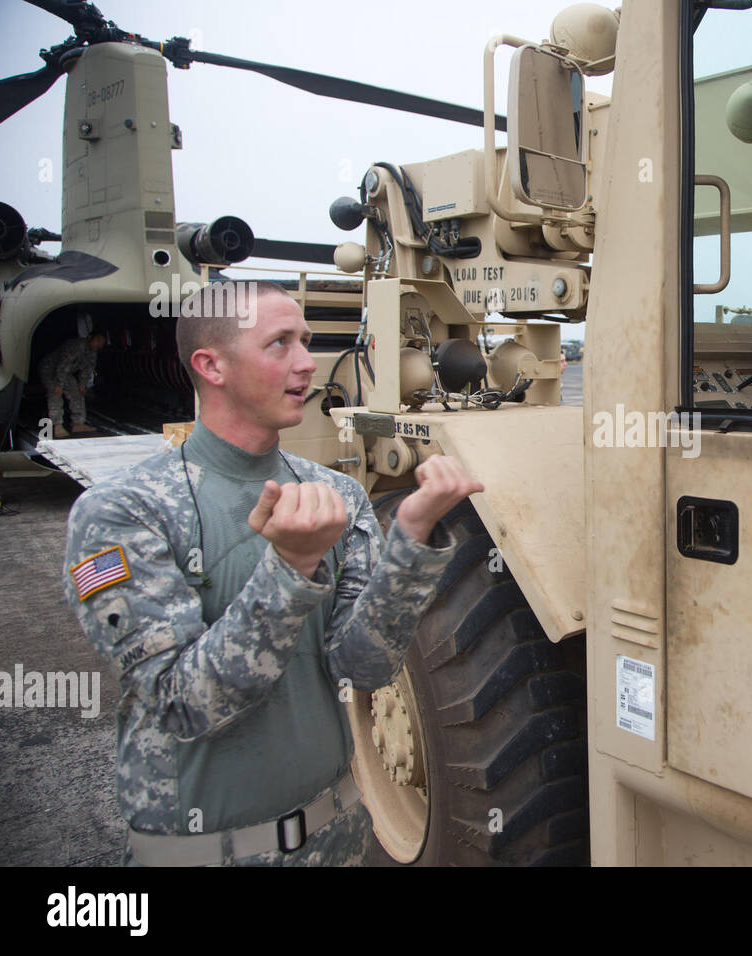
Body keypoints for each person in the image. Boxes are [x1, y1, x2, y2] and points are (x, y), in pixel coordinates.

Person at [62, 280, 484, 866]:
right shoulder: (124, 511)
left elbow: (364, 665)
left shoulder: (334, 492)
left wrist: (411, 543)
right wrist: (289, 568)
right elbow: (182, 704)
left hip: (339, 836)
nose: (308, 362)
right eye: (279, 343)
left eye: (306, 341)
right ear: (212, 366)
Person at [39, 332, 106, 439]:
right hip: (50, 369)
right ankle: (57, 425)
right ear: (89, 338)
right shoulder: (76, 346)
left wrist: (82, 385)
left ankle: (78, 423)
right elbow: (63, 365)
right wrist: (59, 385)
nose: (99, 345)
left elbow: (87, 369)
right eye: (98, 341)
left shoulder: (92, 352)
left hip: (65, 372)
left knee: (76, 392)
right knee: (55, 393)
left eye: (102, 343)